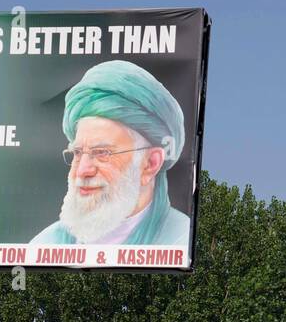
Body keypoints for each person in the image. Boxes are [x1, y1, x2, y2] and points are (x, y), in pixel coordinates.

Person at [31, 60, 191, 248]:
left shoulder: (180, 240)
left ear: (150, 164)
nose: (82, 171)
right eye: (77, 152)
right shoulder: (45, 245)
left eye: (102, 153)